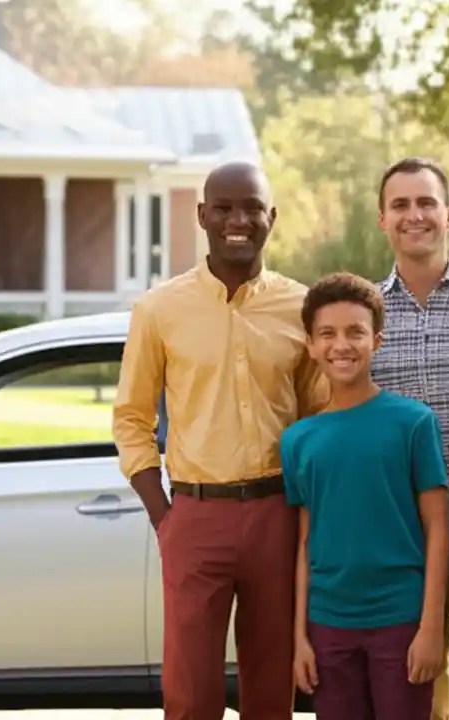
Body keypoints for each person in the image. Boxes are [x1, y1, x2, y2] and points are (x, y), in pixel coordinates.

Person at [112, 160, 328, 720]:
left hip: (276, 514)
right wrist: (165, 514)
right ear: (202, 214)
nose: (239, 219)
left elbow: (317, 416)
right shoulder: (159, 309)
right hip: (194, 514)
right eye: (225, 208)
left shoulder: (300, 308)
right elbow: (132, 417)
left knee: (271, 686)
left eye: (252, 207)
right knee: (190, 694)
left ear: (271, 218)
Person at [283, 272, 449, 720]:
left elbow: (437, 529)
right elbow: (302, 545)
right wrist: (299, 637)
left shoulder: (413, 423)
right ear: (311, 345)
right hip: (329, 624)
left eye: (356, 332)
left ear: (377, 339)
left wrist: (431, 627)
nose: (342, 344)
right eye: (328, 334)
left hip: (400, 620)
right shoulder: (298, 439)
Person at [367, 157, 449, 719]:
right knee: (419, 704)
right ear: (382, 220)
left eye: (426, 203)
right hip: (400, 551)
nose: (413, 215)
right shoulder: (364, 316)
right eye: (400, 204)